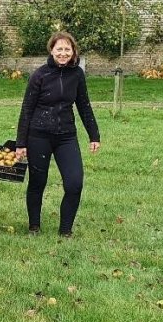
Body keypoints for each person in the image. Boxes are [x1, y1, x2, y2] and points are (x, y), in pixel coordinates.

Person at [14, 31, 101, 237]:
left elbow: (84, 105)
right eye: (59, 49)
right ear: (51, 50)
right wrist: (21, 143)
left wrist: (94, 135)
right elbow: (27, 109)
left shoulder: (77, 74)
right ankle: (34, 226)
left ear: (73, 52)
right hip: (39, 135)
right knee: (38, 181)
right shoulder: (40, 75)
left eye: (67, 49)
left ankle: (65, 231)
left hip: (66, 136)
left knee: (74, 183)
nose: (63, 53)